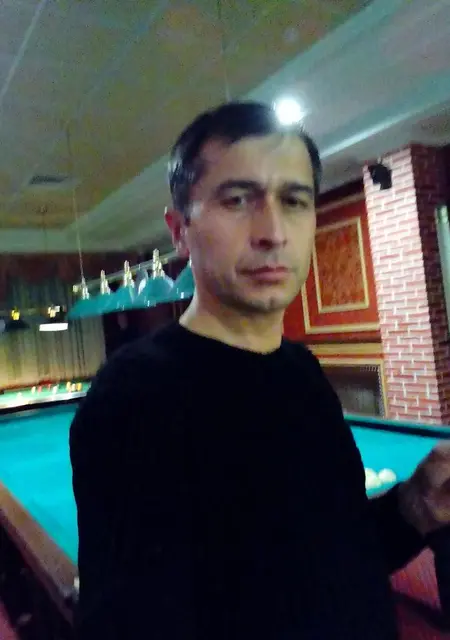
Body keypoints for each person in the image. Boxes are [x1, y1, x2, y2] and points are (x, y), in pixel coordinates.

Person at [70, 101, 450, 639]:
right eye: (237, 199)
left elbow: (339, 558)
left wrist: (416, 506)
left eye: (294, 201)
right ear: (179, 230)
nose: (272, 231)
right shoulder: (135, 396)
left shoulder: (300, 369)